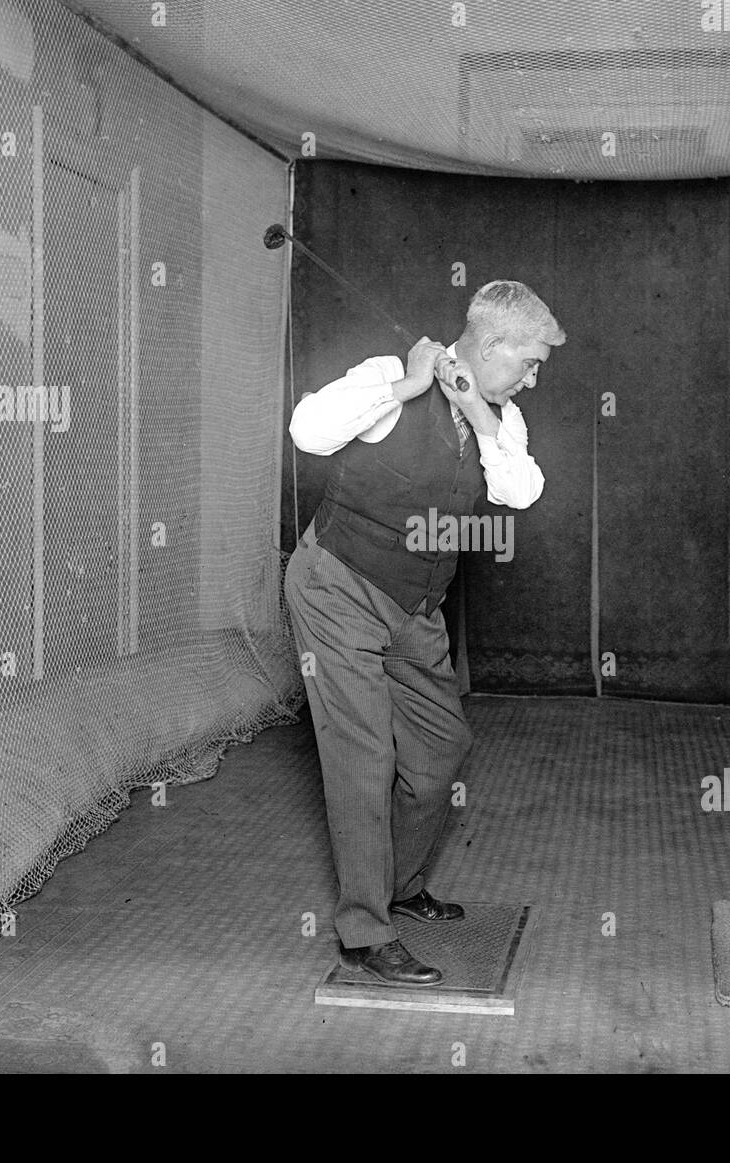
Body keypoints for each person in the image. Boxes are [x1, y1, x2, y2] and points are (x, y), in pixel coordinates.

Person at [285, 280, 565, 986]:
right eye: (529, 360)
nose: (534, 374)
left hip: (413, 602)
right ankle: (363, 930)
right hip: (336, 581)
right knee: (364, 755)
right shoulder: (389, 375)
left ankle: (401, 885)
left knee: (442, 748)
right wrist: (410, 384)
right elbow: (307, 430)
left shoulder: (504, 416)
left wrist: (475, 402)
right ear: (495, 343)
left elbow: (520, 490)